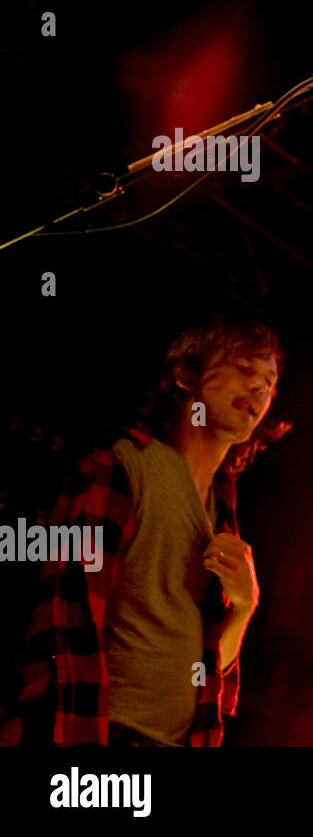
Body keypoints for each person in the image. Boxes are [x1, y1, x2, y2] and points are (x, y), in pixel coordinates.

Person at [17, 317, 288, 746]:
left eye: (269, 381)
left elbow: (209, 668)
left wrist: (243, 607)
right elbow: (64, 619)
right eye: (244, 368)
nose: (260, 388)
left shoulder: (223, 511)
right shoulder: (125, 466)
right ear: (188, 375)